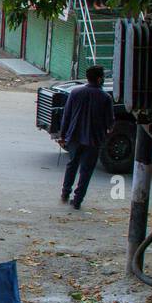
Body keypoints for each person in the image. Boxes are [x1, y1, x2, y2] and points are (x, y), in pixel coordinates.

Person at [57, 65, 115, 210]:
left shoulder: (75, 92)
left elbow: (67, 116)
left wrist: (62, 135)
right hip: (94, 140)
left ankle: (65, 193)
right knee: (86, 170)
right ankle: (77, 200)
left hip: (74, 137)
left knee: (72, 164)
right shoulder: (105, 97)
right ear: (100, 79)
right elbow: (110, 122)